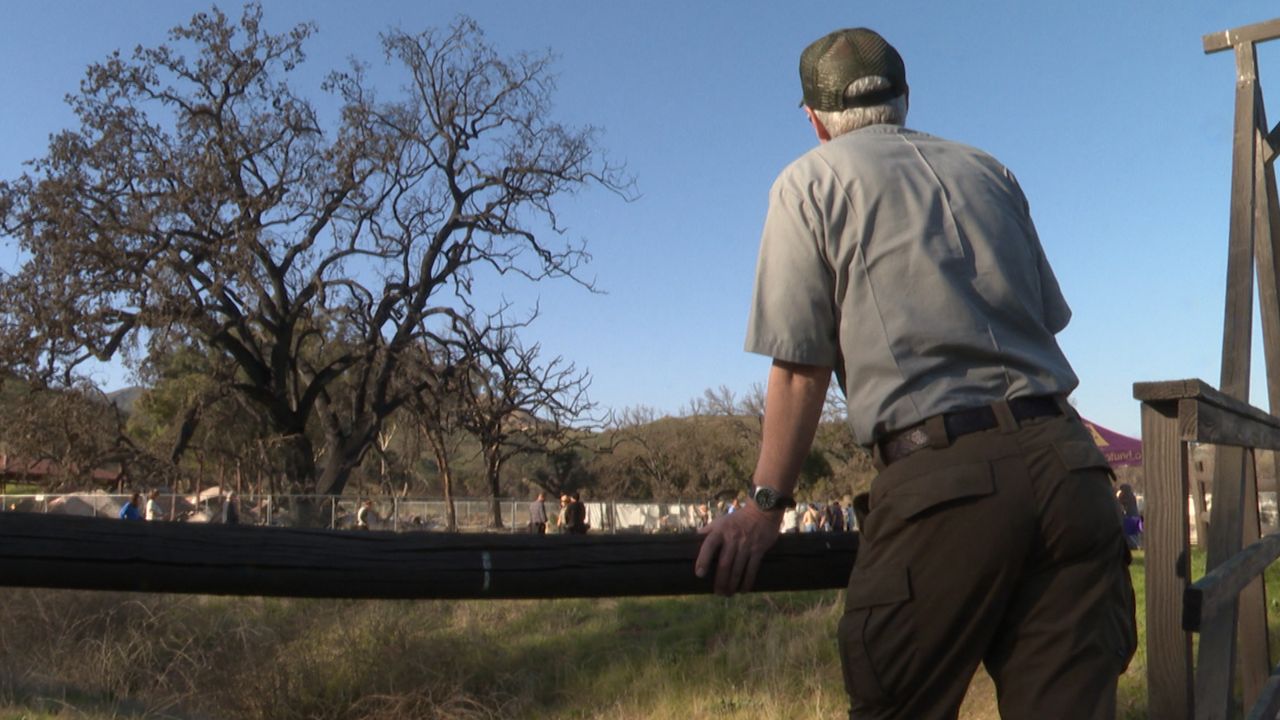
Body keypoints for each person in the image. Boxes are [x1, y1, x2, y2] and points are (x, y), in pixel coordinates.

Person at [694, 27, 1135, 719]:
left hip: (945, 481)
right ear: (903, 99)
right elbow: (1046, 320)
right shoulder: (992, 171)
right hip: (1070, 467)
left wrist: (766, 504)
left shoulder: (809, 182)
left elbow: (800, 369)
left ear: (813, 119)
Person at [1117, 483, 1143, 549]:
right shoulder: (1131, 496)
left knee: (1131, 533)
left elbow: (1122, 505)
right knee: (1134, 533)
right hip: (1135, 516)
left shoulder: (1126, 496)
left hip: (1131, 516)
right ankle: (1136, 545)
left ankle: (1133, 545)